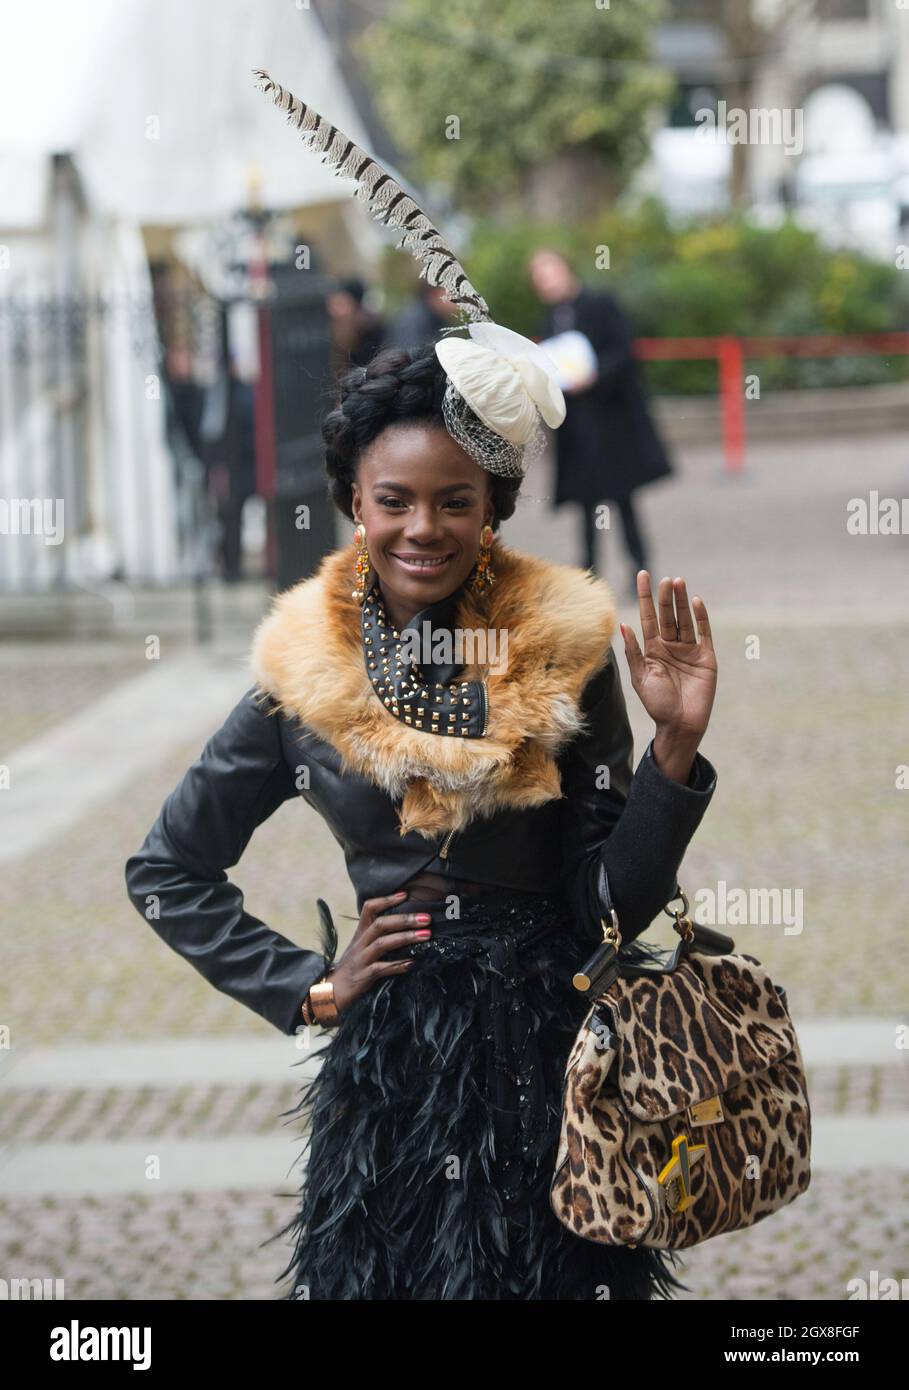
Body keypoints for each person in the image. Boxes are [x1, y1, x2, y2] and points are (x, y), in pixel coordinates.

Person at [124, 327, 719, 1300]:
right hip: (393, 1078)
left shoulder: (565, 654)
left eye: (455, 500)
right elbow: (166, 871)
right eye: (393, 499)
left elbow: (610, 902)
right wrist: (310, 987)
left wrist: (673, 753)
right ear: (355, 502)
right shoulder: (302, 679)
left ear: (493, 508)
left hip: (555, 1071)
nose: (422, 527)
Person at [529, 247, 673, 592]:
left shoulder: (601, 305)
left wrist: (593, 378)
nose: (547, 284)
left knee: (624, 501)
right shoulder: (550, 319)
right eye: (540, 279)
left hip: (611, 425)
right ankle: (589, 574)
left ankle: (640, 570)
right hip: (578, 430)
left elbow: (624, 355)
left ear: (567, 270)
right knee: (586, 505)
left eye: (550, 274)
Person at [327, 276, 385, 376]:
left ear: (355, 304)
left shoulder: (371, 332)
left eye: (340, 304)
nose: (333, 311)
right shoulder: (329, 329)